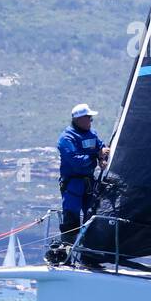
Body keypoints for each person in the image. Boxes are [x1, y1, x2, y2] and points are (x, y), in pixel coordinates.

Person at [57, 103, 109, 244]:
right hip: (73, 184)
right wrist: (96, 155)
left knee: (92, 215)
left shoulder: (92, 134)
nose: (91, 121)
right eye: (89, 118)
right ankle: (67, 249)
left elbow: (101, 147)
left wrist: (101, 158)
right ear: (79, 119)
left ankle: (89, 250)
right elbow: (76, 161)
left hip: (89, 183)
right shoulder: (66, 139)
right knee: (71, 216)